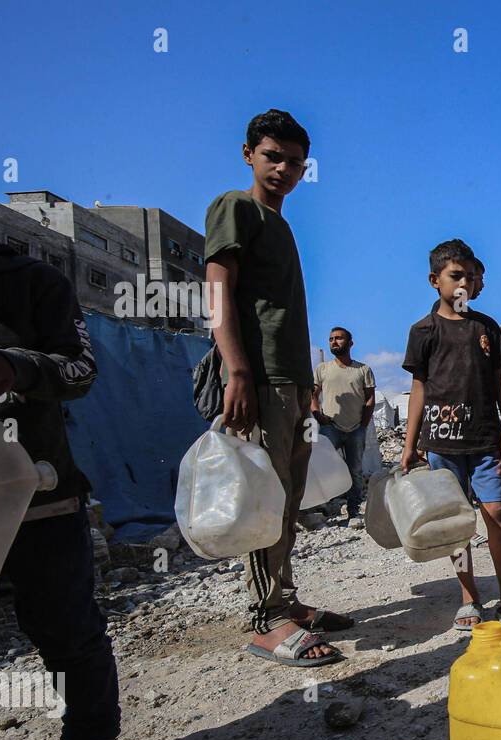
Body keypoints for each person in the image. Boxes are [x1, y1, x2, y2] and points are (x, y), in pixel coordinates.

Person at [0, 161, 140, 740]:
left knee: (69, 631)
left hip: (39, 494)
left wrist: (15, 367)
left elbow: (80, 369)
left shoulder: (32, 281)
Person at [205, 109, 351, 666]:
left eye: (295, 161)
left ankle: (285, 601)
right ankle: (266, 619)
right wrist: (237, 370)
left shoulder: (282, 225)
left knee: (286, 499)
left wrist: (308, 385)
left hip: (290, 381)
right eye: (273, 157)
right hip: (258, 377)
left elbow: (284, 313)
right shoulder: (235, 208)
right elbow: (218, 291)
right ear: (248, 155)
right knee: (265, 500)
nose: (284, 169)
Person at [400, 239, 501, 631]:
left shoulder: (487, 328)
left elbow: (500, 382)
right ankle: (469, 597)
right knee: (459, 525)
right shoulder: (423, 330)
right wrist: (411, 445)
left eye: (470, 276)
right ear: (434, 280)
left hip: (485, 439)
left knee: (496, 513)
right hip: (441, 444)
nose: (464, 283)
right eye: (455, 275)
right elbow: (419, 388)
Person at [312, 326, 374, 521]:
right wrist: (317, 414)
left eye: (339, 338)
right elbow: (312, 394)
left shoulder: (363, 369)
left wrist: (363, 423)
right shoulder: (322, 369)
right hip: (330, 427)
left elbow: (370, 398)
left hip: (356, 428)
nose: (334, 342)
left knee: (355, 469)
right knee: (322, 466)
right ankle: (324, 506)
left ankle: (353, 508)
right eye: (331, 339)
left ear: (350, 343)